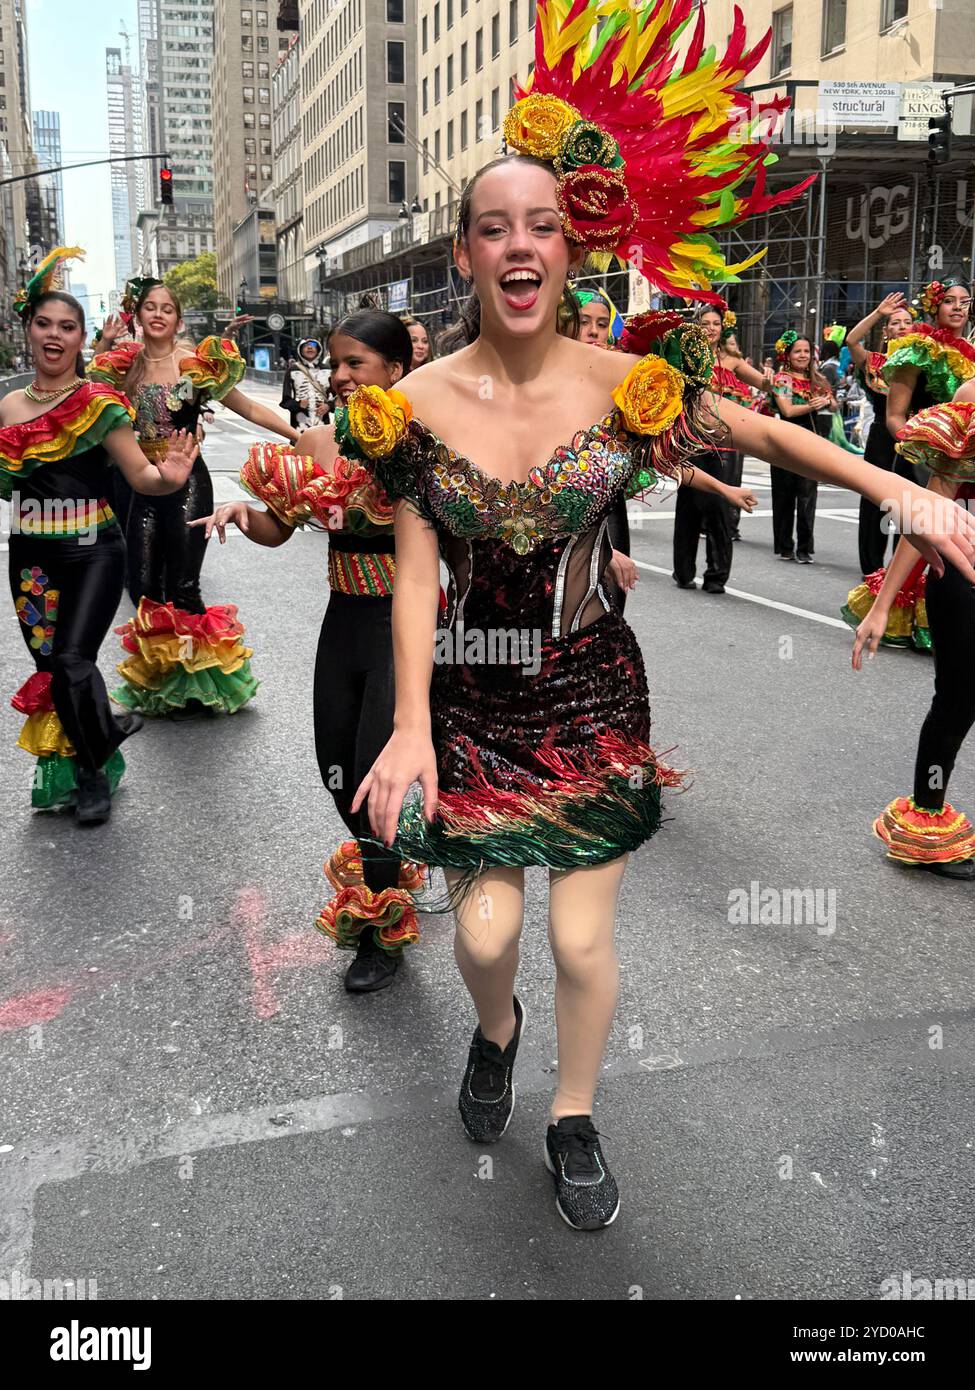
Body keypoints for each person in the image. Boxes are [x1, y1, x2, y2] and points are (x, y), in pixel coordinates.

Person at [339, 0, 975, 1232]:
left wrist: (907, 492)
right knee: (481, 934)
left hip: (590, 688)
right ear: (465, 253)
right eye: (491, 227)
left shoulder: (630, 389)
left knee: (580, 940)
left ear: (573, 247)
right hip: (473, 693)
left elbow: (775, 430)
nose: (519, 246)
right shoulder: (411, 404)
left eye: (541, 224)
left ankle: (573, 1112)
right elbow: (417, 572)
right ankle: (496, 1030)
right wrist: (410, 725)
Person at [192, 311, 424, 993]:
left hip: (404, 626)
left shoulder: (421, 444)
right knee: (335, 767)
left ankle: (383, 928)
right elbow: (279, 530)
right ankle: (395, 866)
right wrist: (242, 513)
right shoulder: (317, 442)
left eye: (357, 364)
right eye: (337, 364)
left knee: (372, 772)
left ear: (395, 371)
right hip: (342, 619)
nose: (342, 376)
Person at [1, 250, 198, 823]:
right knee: (53, 665)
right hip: (30, 556)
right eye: (45, 324)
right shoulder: (10, 407)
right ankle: (106, 724)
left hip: (93, 550)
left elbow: (141, 475)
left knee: (71, 658)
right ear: (29, 331)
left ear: (83, 337)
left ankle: (93, 778)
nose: (54, 335)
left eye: (67, 326)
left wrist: (172, 478)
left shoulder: (98, 404)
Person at [88, 278, 299, 718]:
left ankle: (199, 681)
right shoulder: (123, 367)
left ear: (178, 319)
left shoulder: (194, 365)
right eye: (150, 306)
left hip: (188, 485)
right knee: (144, 584)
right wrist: (102, 347)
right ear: (139, 317)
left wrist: (299, 435)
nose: (159, 313)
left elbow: (249, 408)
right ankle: (164, 680)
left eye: (167, 308)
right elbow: (87, 401)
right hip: (143, 483)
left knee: (183, 584)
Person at [852, 382, 975, 879]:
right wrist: (881, 605)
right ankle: (926, 815)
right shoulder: (972, 395)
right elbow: (928, 512)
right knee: (959, 699)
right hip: (963, 568)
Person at [842, 279, 974, 647]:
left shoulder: (970, 357)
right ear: (935, 306)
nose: (958, 307)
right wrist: (928, 451)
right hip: (926, 455)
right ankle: (901, 612)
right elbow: (895, 416)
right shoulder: (919, 349)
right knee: (920, 531)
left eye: (965, 301)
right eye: (949, 300)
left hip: (963, 459)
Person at [842, 292, 917, 577]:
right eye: (895, 323)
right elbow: (851, 341)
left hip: (915, 437)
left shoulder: (924, 362)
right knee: (876, 503)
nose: (901, 326)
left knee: (909, 507)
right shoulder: (875, 361)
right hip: (882, 440)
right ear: (886, 330)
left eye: (907, 322)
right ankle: (872, 569)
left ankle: (904, 571)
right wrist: (879, 312)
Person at [697, 305, 773, 542]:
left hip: (726, 436)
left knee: (728, 486)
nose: (711, 329)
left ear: (723, 327)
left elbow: (763, 384)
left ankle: (727, 528)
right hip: (695, 434)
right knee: (696, 496)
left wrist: (769, 378)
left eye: (716, 324)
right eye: (705, 324)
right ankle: (699, 530)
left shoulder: (732, 361)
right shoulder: (688, 355)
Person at [769, 331, 834, 563]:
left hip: (811, 440)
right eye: (798, 351)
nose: (803, 355)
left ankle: (805, 548)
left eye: (806, 351)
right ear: (788, 354)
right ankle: (785, 545)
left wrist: (827, 401)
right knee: (784, 492)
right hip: (785, 439)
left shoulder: (817, 379)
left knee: (808, 493)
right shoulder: (783, 379)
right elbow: (786, 410)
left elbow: (834, 405)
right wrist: (812, 405)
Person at [280, 338, 331, 432]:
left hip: (322, 421)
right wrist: (298, 404)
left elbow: (339, 397)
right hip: (300, 423)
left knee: (323, 445)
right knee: (301, 445)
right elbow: (285, 401)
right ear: (300, 350)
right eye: (305, 346)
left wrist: (328, 406)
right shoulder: (292, 370)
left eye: (313, 345)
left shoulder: (328, 370)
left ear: (319, 349)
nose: (310, 347)